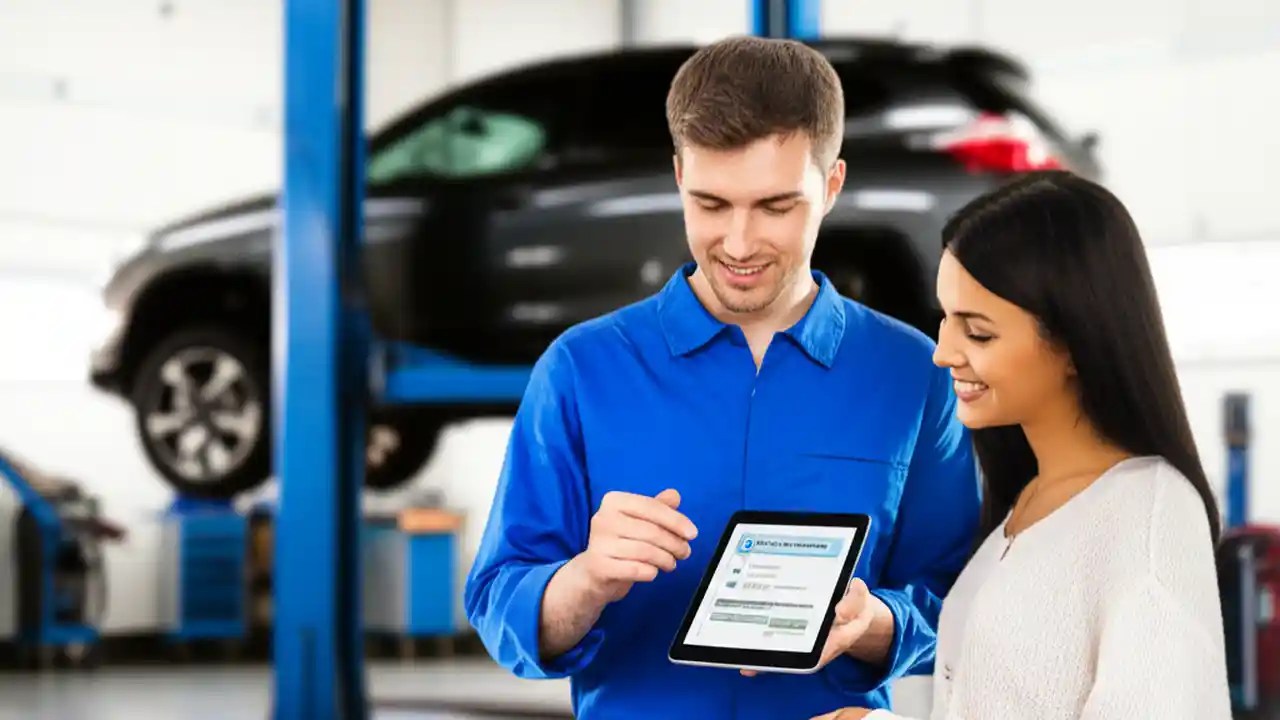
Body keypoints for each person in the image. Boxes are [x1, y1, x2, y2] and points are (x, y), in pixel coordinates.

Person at [463, 36, 982, 720]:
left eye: (775, 207)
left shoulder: (913, 375)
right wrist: (583, 580)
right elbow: (500, 601)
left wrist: (877, 623)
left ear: (831, 186)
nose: (738, 244)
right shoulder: (581, 370)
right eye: (711, 204)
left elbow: (958, 599)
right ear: (679, 178)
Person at [813, 171, 1232, 720]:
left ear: (1077, 342)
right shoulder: (1024, 504)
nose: (943, 354)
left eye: (978, 332)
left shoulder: (1149, 513)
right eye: (946, 320)